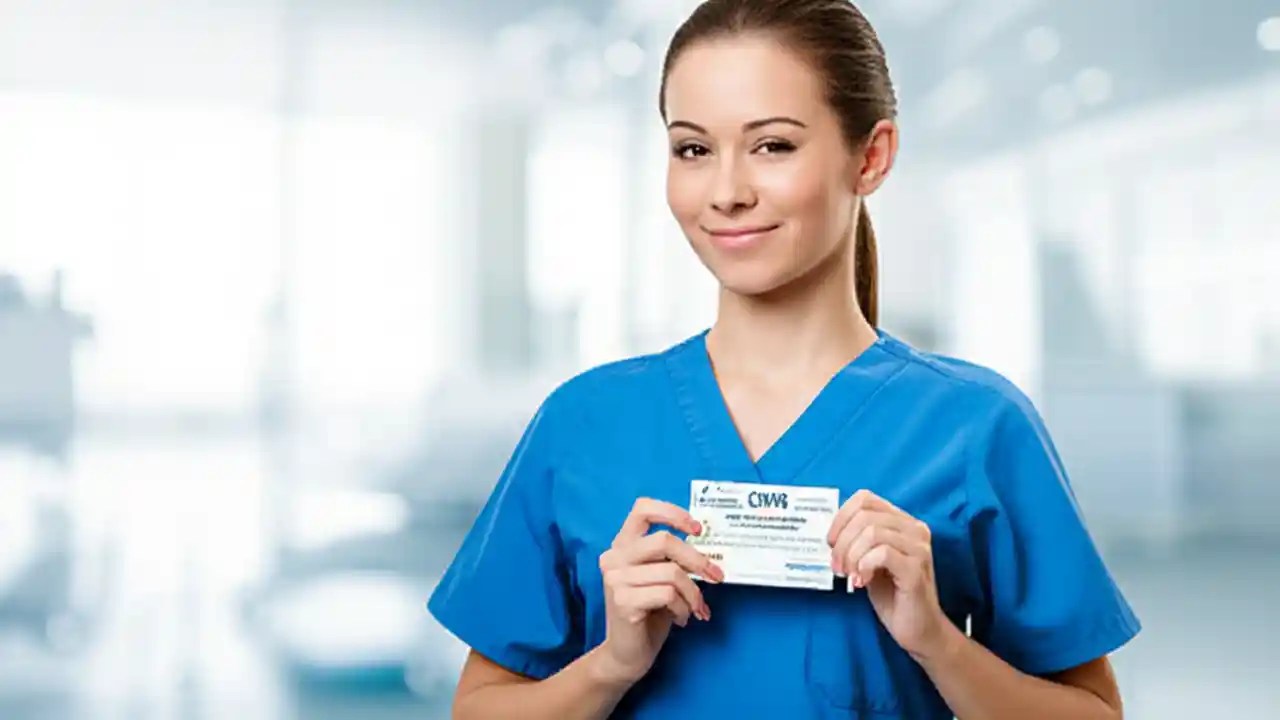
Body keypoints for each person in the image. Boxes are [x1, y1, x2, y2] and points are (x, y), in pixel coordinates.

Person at [427, 0, 1141, 717]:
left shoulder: (975, 428)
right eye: (693, 149)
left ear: (871, 157)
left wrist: (937, 645)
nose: (728, 193)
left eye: (772, 146)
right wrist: (612, 665)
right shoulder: (583, 424)